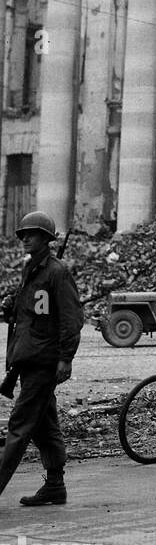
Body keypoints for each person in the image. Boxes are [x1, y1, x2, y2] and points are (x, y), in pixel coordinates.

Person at [0, 213, 83, 506]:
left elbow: (71, 319)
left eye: (31, 234)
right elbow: (38, 311)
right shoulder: (31, 269)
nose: (24, 238)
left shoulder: (57, 272)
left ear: (47, 239)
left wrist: (65, 358)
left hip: (44, 361)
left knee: (19, 424)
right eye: (22, 234)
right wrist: (13, 305)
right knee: (43, 423)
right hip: (29, 358)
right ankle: (55, 485)